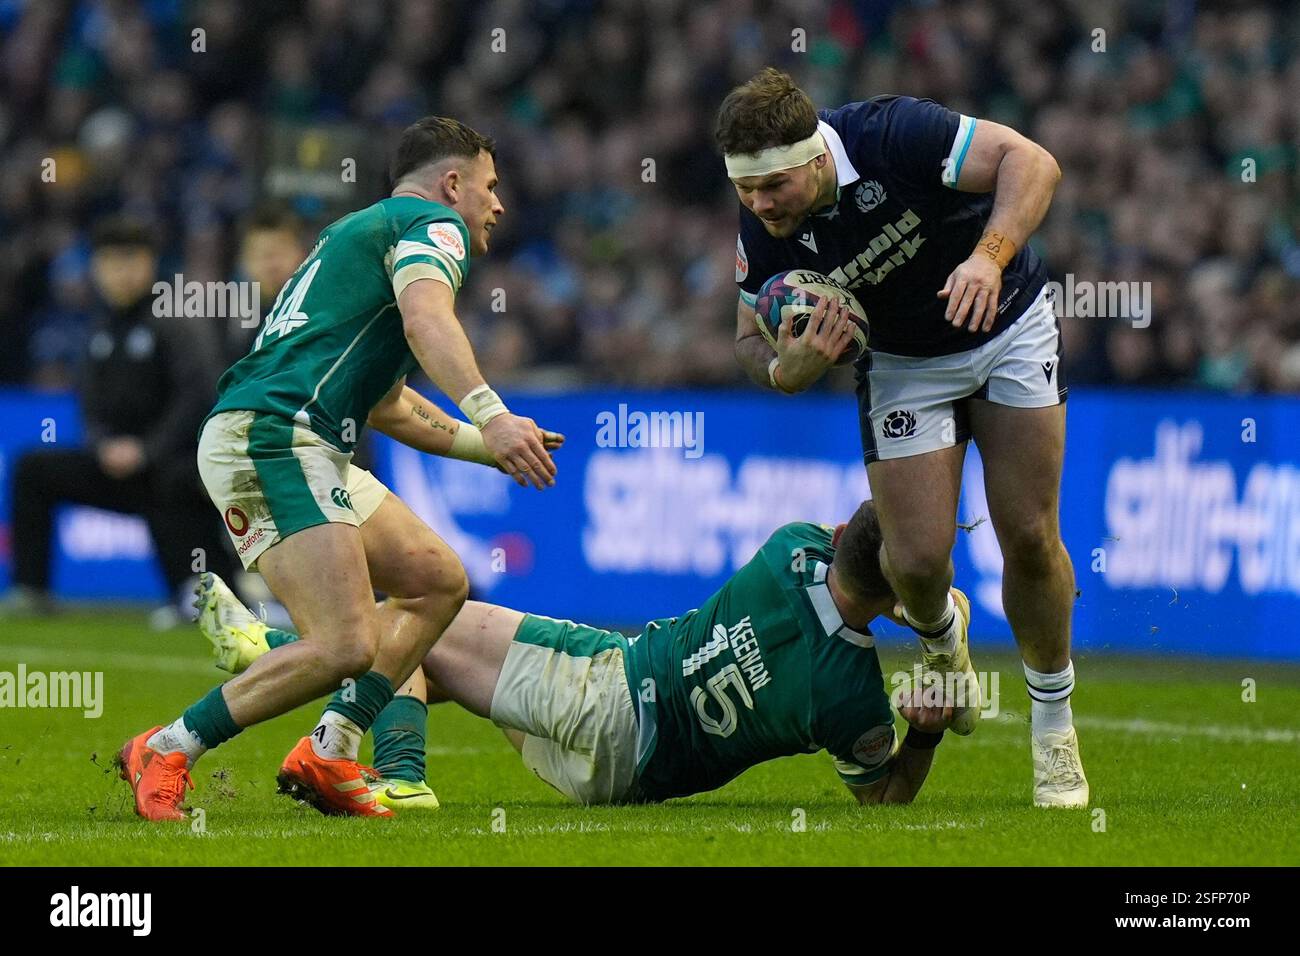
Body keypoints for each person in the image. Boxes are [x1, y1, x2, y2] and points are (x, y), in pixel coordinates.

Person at [117, 116, 561, 821]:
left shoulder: (361, 233)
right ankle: (166, 747)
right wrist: (492, 412)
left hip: (298, 437)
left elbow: (386, 404)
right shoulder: (433, 228)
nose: (498, 204)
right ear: (452, 183)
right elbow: (428, 321)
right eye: (490, 186)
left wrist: (486, 447)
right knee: (346, 641)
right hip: (276, 437)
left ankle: (330, 748)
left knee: (437, 580)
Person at [719, 68, 1087, 807]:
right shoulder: (761, 229)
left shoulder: (891, 133)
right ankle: (943, 639)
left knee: (1029, 536)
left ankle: (1054, 729)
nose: (760, 205)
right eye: (746, 191)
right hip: (902, 366)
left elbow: (1033, 161)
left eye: (774, 188)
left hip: (1005, 327)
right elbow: (745, 342)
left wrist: (990, 254)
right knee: (916, 560)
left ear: (818, 158)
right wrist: (786, 372)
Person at [197, 501, 962, 806]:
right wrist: (925, 726)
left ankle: (273, 654)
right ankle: (381, 763)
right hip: (620, 779)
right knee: (420, 639)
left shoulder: (789, 547)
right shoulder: (852, 699)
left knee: (420, 614)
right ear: (898, 602)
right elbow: (882, 804)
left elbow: (849, 543)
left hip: (614, 691)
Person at [4, 216, 235, 625]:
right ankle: (31, 589)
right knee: (32, 469)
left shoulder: (175, 321)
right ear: (95, 268)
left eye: (131, 261)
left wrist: (148, 449)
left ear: (150, 264)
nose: (121, 272)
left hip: (173, 464)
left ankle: (195, 590)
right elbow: (89, 404)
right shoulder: (98, 328)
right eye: (110, 262)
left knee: (172, 479)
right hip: (114, 462)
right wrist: (101, 445)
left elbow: (195, 397)